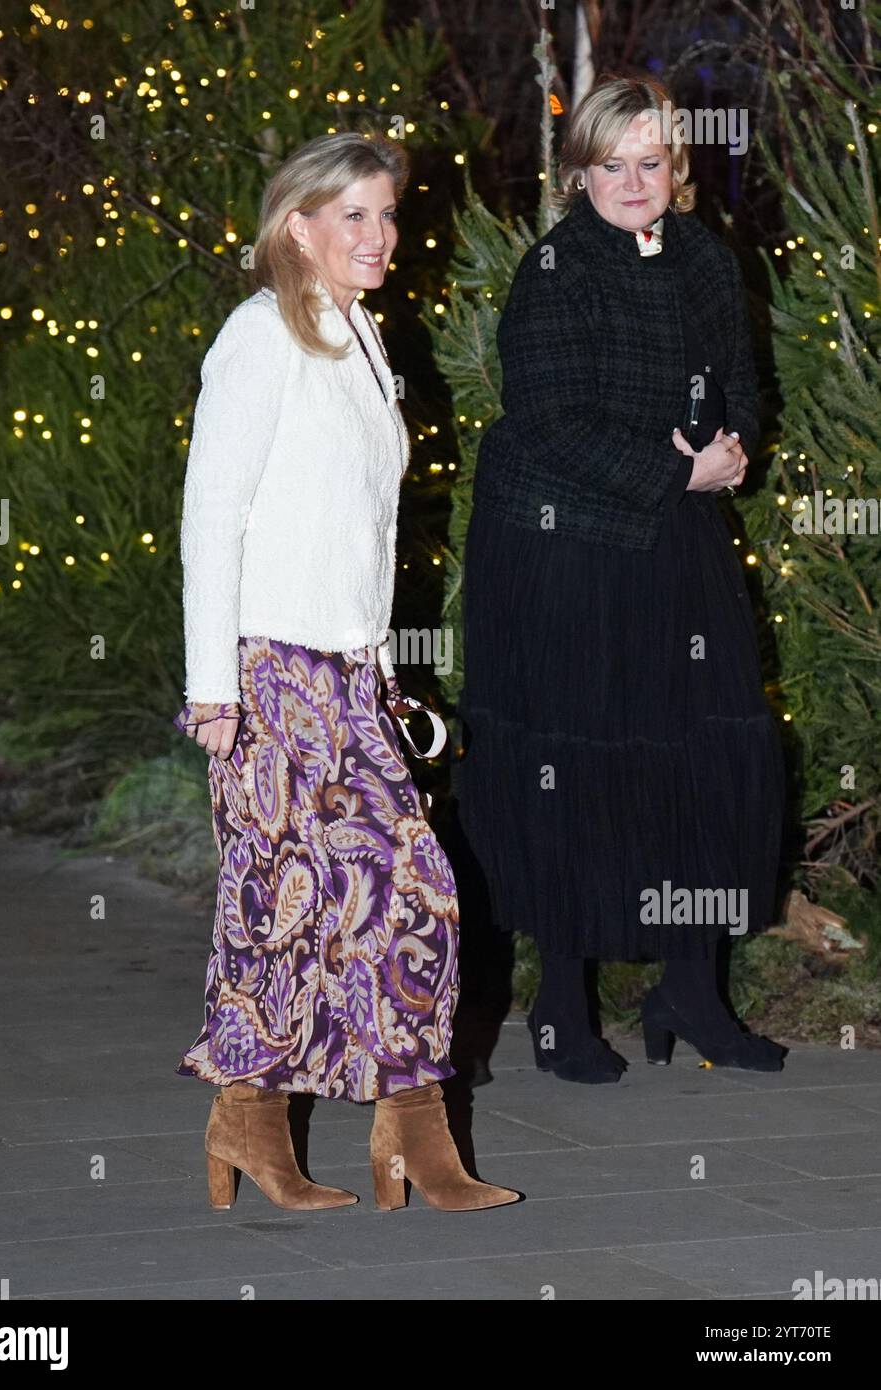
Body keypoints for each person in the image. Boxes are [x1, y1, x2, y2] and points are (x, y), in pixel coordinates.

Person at [173, 131, 519, 1213]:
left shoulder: (359, 334)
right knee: (354, 893)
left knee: (368, 897)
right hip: (271, 672)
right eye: (355, 216)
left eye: (386, 214)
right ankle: (276, 1124)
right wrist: (213, 688)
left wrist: (374, 661)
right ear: (298, 227)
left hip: (347, 671)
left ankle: (377, 1133)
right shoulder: (260, 335)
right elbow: (211, 519)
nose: (381, 235)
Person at [456, 75, 788, 1084]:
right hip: (561, 547)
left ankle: (691, 987)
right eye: (613, 163)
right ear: (579, 173)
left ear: (675, 167)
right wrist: (678, 468)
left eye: (652, 161)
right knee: (575, 768)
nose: (633, 180)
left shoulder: (700, 255)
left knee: (704, 749)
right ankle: (561, 1004)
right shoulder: (555, 270)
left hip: (675, 535)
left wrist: (736, 444)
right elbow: (550, 422)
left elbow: (746, 380)